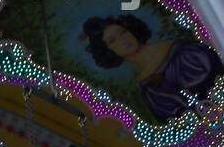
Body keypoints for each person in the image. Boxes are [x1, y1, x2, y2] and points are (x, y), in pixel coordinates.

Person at [82, 13, 223, 123]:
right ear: (108, 51)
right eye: (112, 41)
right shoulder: (150, 91)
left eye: (123, 32)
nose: (123, 40)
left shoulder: (182, 50)